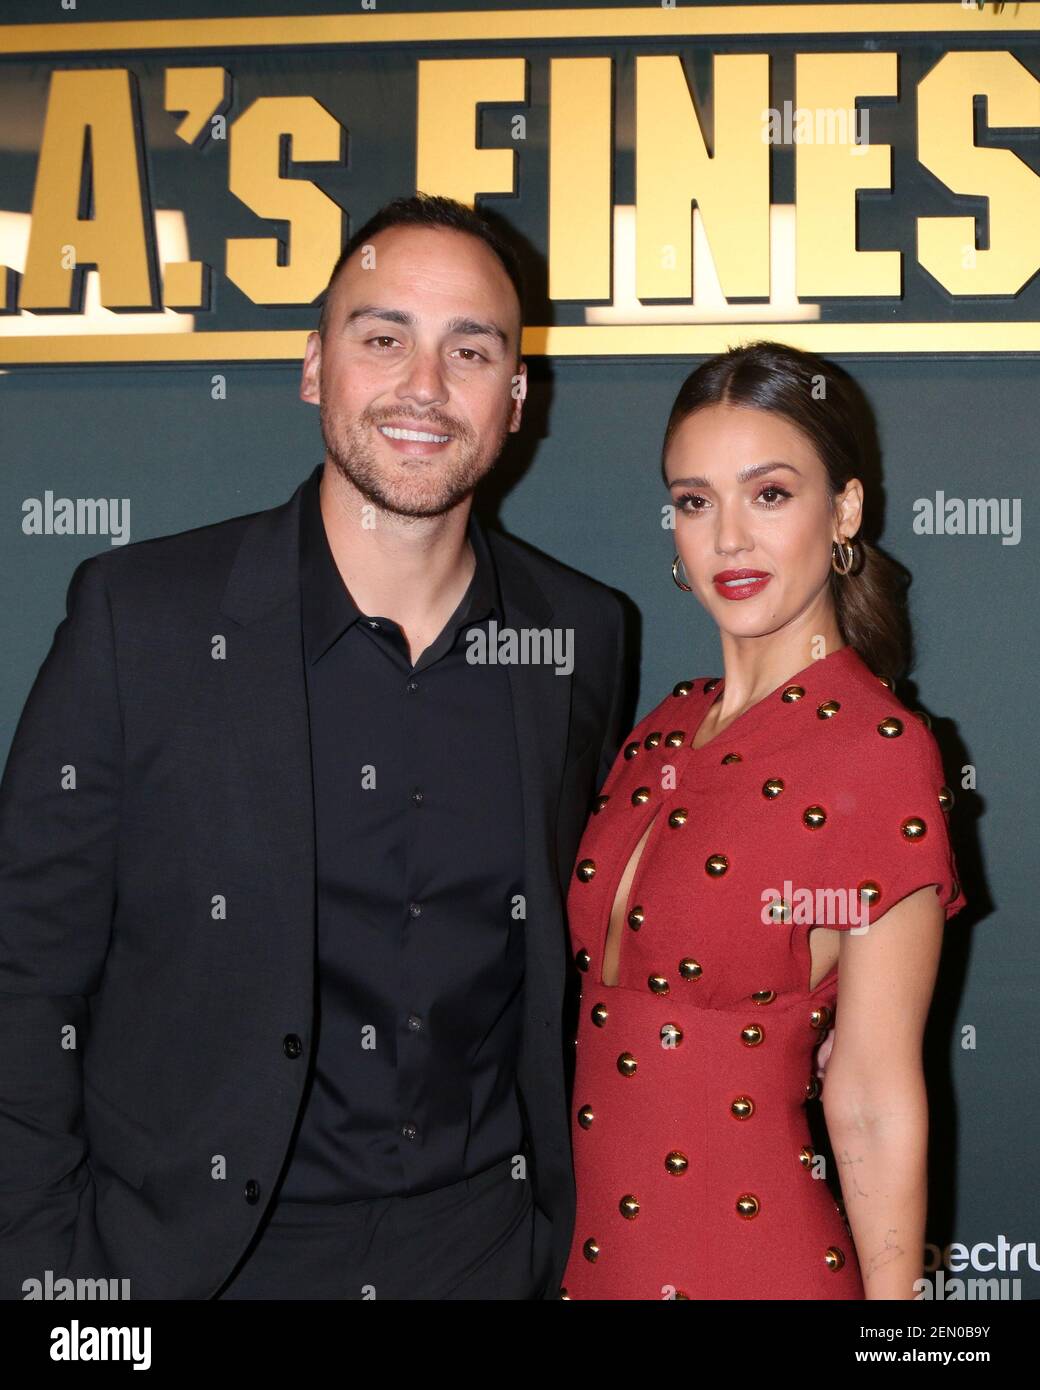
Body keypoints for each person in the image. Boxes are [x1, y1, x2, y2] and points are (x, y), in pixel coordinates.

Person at [0, 193, 630, 1301]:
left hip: (484, 1254)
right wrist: (56, 1284)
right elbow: (24, 976)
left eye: (468, 350)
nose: (423, 388)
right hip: (194, 1268)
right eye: (382, 337)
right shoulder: (138, 619)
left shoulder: (577, 635)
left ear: (518, 395)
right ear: (313, 366)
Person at [560, 341, 966, 1300]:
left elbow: (868, 1096)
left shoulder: (882, 748)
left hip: (759, 1266)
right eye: (696, 501)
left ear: (846, 512)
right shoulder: (659, 730)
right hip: (595, 1269)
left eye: (770, 494)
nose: (729, 538)